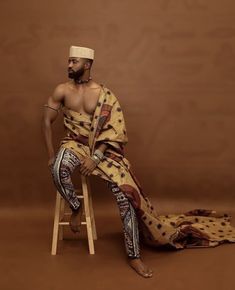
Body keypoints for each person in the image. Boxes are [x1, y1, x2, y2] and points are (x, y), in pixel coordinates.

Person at [42, 45, 235, 279]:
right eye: (69, 61)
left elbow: (114, 132)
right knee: (57, 168)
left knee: (127, 196)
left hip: (101, 151)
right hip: (73, 144)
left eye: (74, 61)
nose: (69, 65)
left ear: (88, 64)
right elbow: (46, 121)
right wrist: (52, 153)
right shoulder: (62, 90)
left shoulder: (105, 94)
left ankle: (134, 256)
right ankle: (76, 207)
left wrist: (95, 158)